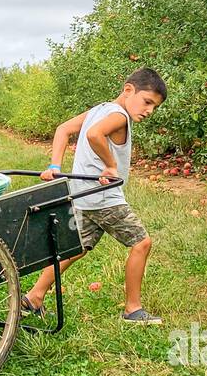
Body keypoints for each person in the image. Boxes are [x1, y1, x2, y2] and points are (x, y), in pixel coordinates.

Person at [23, 67, 167, 323]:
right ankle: (133, 309)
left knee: (76, 248)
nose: (149, 111)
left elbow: (63, 129)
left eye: (154, 107)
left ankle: (34, 296)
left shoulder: (98, 110)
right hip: (104, 197)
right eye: (147, 102)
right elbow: (93, 135)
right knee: (141, 243)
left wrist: (55, 166)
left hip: (83, 195)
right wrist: (111, 165)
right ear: (128, 90)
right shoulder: (119, 116)